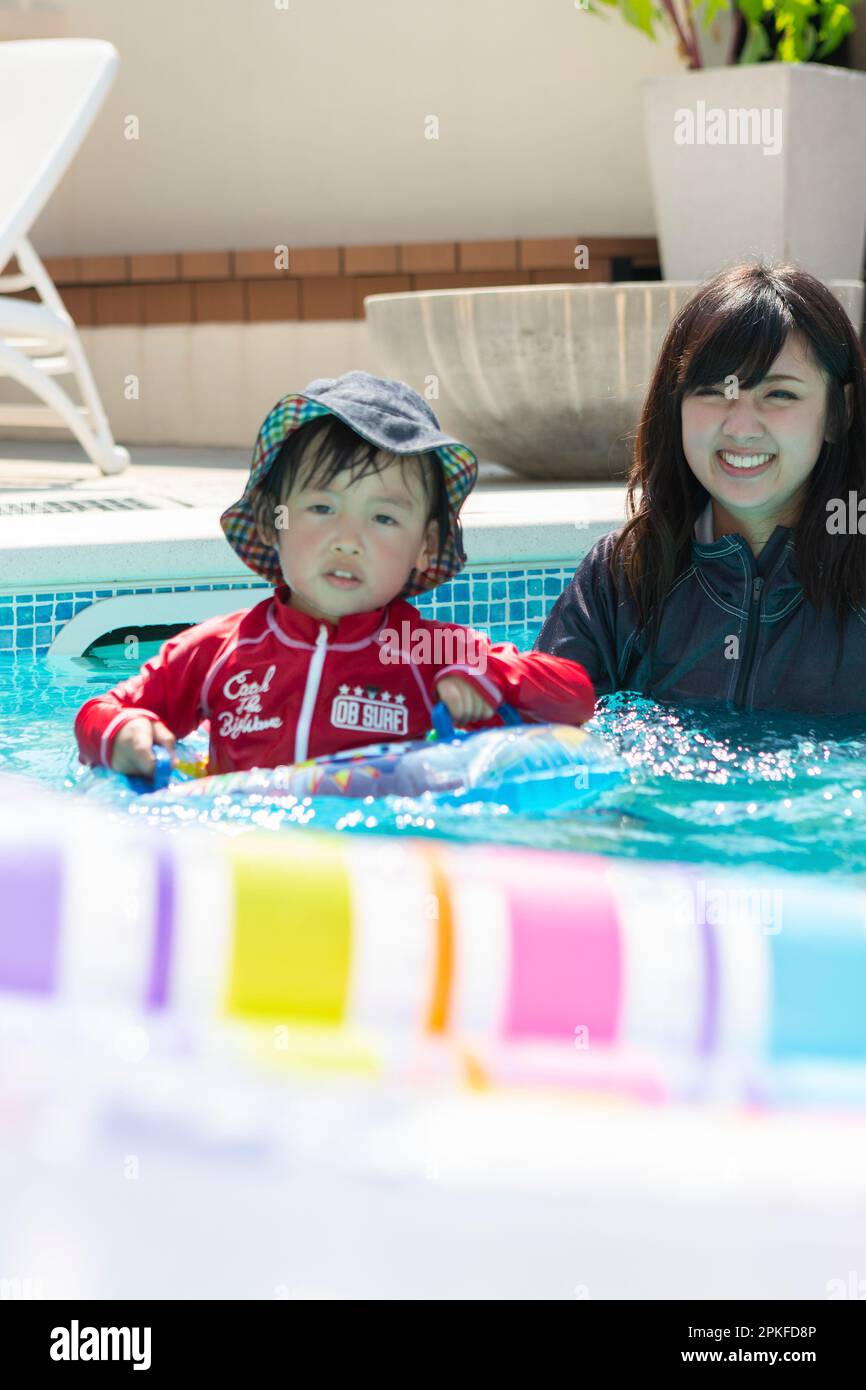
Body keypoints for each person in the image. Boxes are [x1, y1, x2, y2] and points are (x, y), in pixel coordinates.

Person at [75, 371, 595, 776]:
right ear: (272, 522)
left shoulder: (433, 653)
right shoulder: (217, 653)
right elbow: (103, 709)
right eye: (322, 509)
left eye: (383, 518)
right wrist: (125, 730)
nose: (348, 539)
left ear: (425, 546)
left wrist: (494, 676)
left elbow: (575, 695)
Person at [535, 262, 866, 715]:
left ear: (838, 413)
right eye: (713, 390)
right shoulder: (622, 576)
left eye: (779, 394)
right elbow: (540, 730)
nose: (741, 427)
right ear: (676, 404)